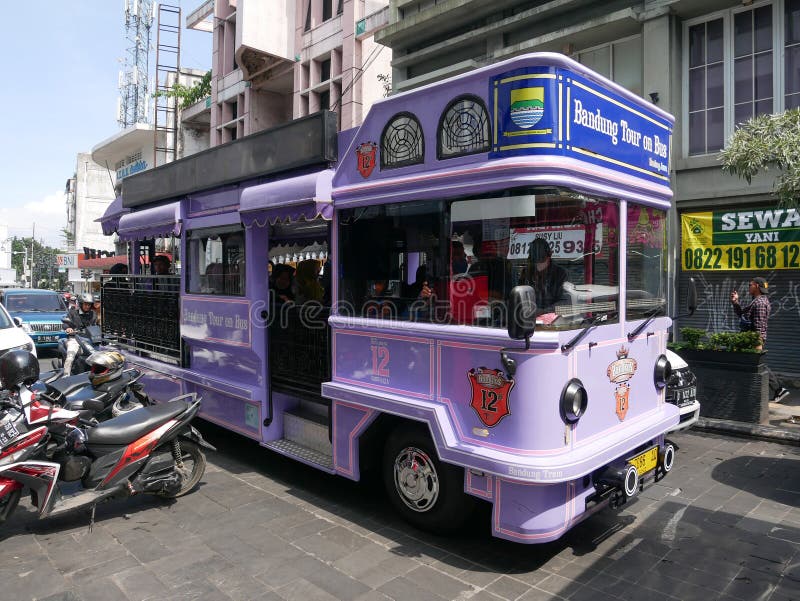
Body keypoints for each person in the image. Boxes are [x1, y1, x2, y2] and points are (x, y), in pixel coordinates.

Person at [731, 277, 789, 402]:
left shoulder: (760, 303)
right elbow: (742, 314)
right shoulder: (756, 301)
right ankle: (777, 389)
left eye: (750, 284)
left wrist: (758, 343)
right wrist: (736, 302)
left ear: (756, 286)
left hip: (754, 340)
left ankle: (778, 389)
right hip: (749, 340)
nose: (748, 286)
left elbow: (760, 325)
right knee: (757, 365)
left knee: (760, 365)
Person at [527, 237, 568, 318]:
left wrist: (543, 312)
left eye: (541, 260)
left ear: (549, 256)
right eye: (534, 261)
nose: (538, 265)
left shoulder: (561, 273)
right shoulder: (527, 273)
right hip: (528, 319)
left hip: (554, 320)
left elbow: (564, 301)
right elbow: (519, 298)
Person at [63, 293, 98, 374]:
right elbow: (65, 323)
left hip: (90, 340)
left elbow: (96, 325)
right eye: (85, 304)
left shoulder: (93, 314)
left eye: (89, 304)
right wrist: (68, 328)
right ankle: (66, 375)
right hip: (74, 339)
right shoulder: (72, 312)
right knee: (70, 356)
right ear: (81, 304)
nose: (87, 306)